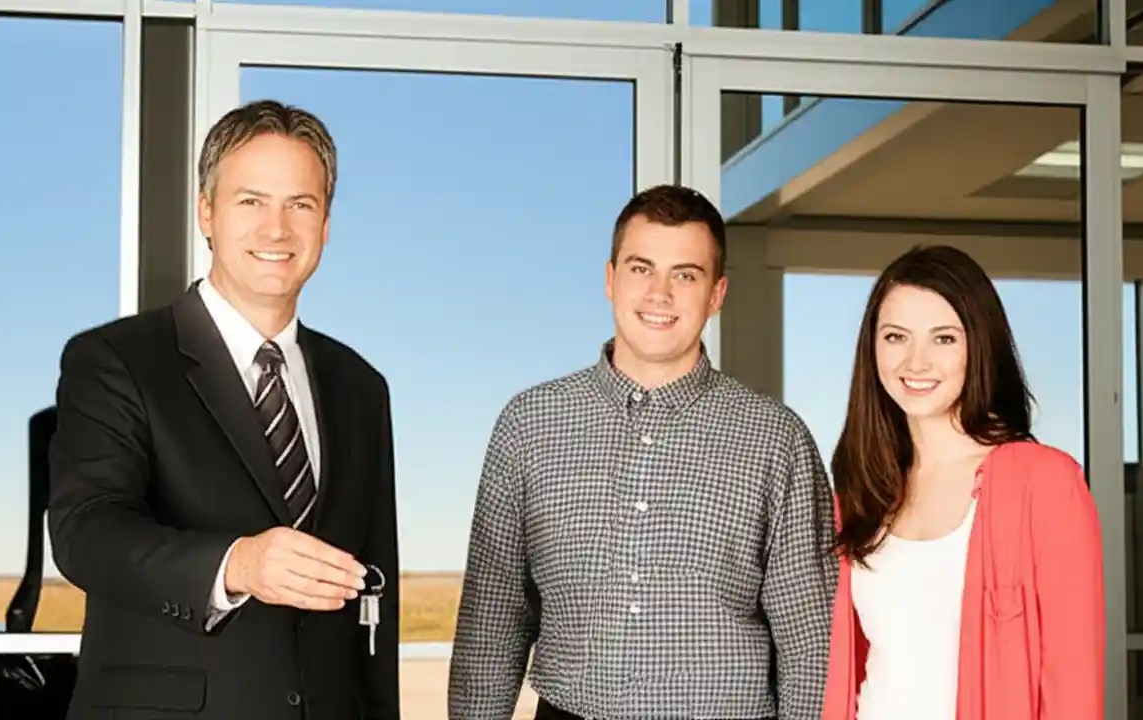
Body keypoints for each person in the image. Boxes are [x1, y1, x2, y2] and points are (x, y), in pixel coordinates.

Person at [47, 99, 399, 720]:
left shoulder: (361, 386)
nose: (277, 230)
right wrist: (237, 564)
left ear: (326, 223)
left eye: (301, 205)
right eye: (250, 201)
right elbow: (87, 534)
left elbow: (375, 594)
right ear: (206, 212)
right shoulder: (115, 359)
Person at [447, 184, 838, 720]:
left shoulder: (776, 439)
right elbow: (493, 621)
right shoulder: (529, 425)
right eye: (640, 268)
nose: (660, 293)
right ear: (610, 279)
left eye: (685, 275)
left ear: (717, 294)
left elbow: (810, 641)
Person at [820, 245, 1105, 720]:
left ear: (980, 345)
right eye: (895, 337)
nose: (916, 361)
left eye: (943, 339)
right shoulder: (859, 496)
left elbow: (1074, 688)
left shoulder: (1045, 485)